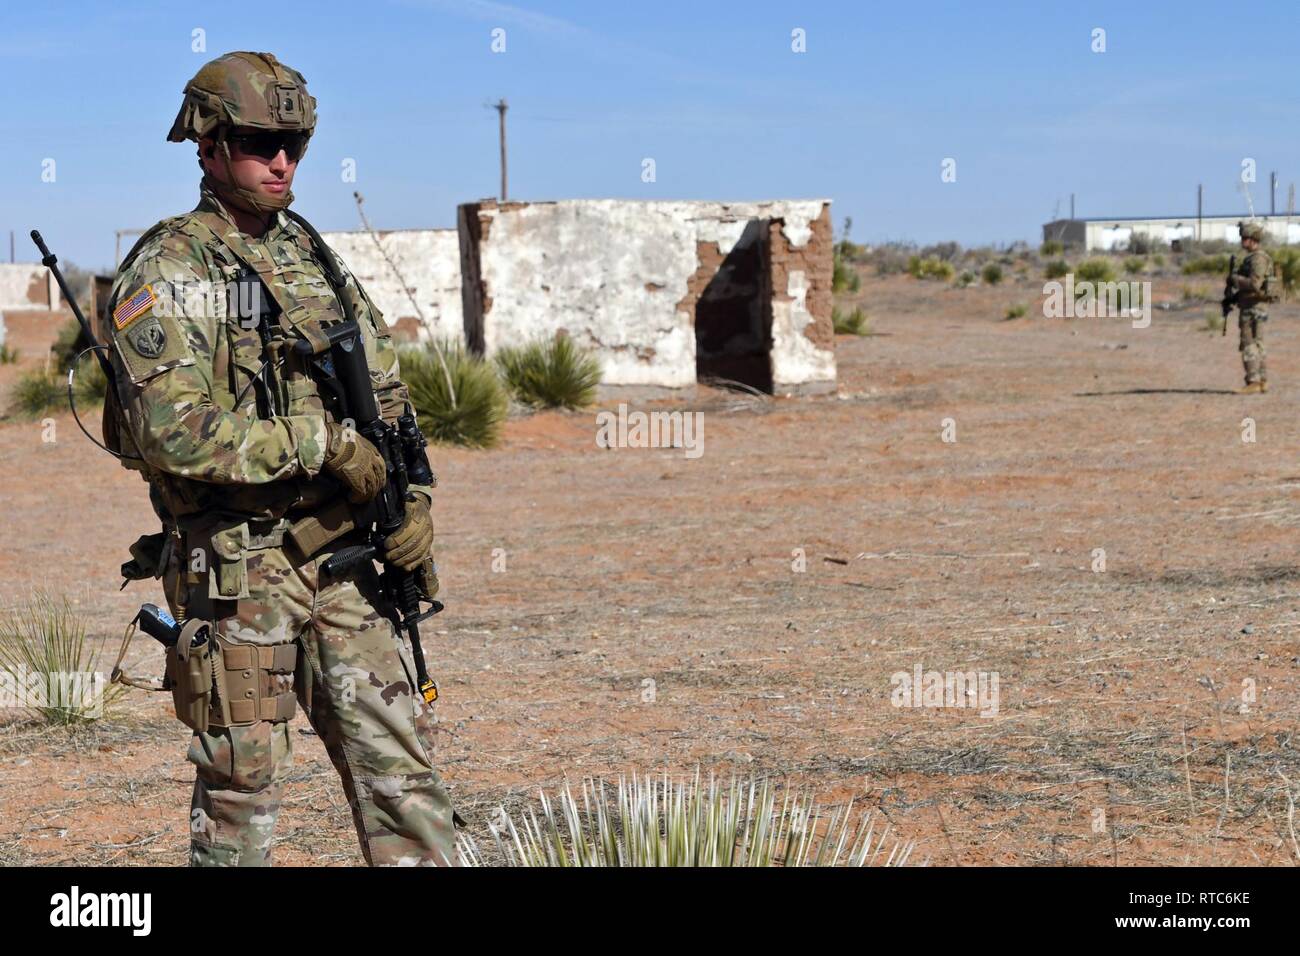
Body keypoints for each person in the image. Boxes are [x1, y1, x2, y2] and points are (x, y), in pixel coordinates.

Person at [101, 51, 457, 866]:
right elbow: (172, 429)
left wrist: (414, 500)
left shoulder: (310, 254)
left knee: (403, 774)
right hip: (239, 569)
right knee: (240, 793)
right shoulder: (170, 268)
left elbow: (387, 387)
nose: (284, 161)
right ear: (208, 143)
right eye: (262, 142)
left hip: (341, 556)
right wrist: (323, 444)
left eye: (295, 142)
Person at [1230, 221, 1274, 394]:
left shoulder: (1258, 258)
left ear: (1253, 239)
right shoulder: (1254, 258)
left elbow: (1255, 283)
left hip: (1254, 307)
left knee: (1249, 343)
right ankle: (1262, 380)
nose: (1242, 241)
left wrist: (1235, 280)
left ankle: (1253, 381)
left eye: (1245, 238)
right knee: (1258, 344)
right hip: (1252, 305)